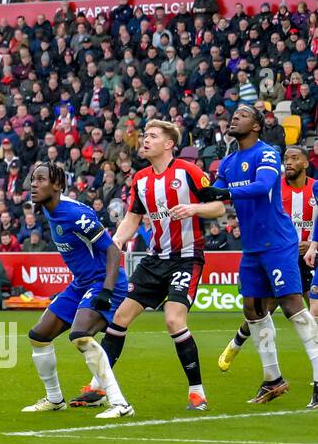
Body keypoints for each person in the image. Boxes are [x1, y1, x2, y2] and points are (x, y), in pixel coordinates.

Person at [95, 121, 225, 411]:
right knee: (119, 318)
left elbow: (218, 207)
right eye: (144, 136)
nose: (145, 140)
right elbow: (132, 218)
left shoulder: (188, 171)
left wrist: (194, 208)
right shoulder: (140, 178)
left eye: (152, 136)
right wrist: (114, 243)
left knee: (173, 320)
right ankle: (99, 386)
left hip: (187, 258)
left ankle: (197, 393)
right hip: (154, 260)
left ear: (169, 144)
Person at [204, 105, 318, 408]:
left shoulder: (266, 153)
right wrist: (196, 192)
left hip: (278, 242)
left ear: (256, 125)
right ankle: (273, 379)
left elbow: (264, 185)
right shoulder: (227, 162)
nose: (234, 118)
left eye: (242, 115)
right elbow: (212, 196)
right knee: (252, 310)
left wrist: (224, 194)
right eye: (233, 115)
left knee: (292, 304)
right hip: (252, 247)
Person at [20, 163, 132, 418]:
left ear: (57, 186)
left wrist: (107, 290)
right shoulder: (48, 209)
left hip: (104, 281)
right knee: (39, 335)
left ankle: (120, 403)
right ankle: (54, 399)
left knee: (80, 334)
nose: (33, 184)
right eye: (32, 179)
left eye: (40, 179)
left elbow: (113, 250)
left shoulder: (74, 214)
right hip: (80, 283)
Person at [220, 145, 317, 366]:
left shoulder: (316, 189)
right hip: (280, 254)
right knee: (264, 309)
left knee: (311, 310)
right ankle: (236, 343)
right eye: (286, 158)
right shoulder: (275, 187)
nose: (289, 162)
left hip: (310, 257)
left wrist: (313, 245)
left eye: (295, 158)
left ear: (306, 163)